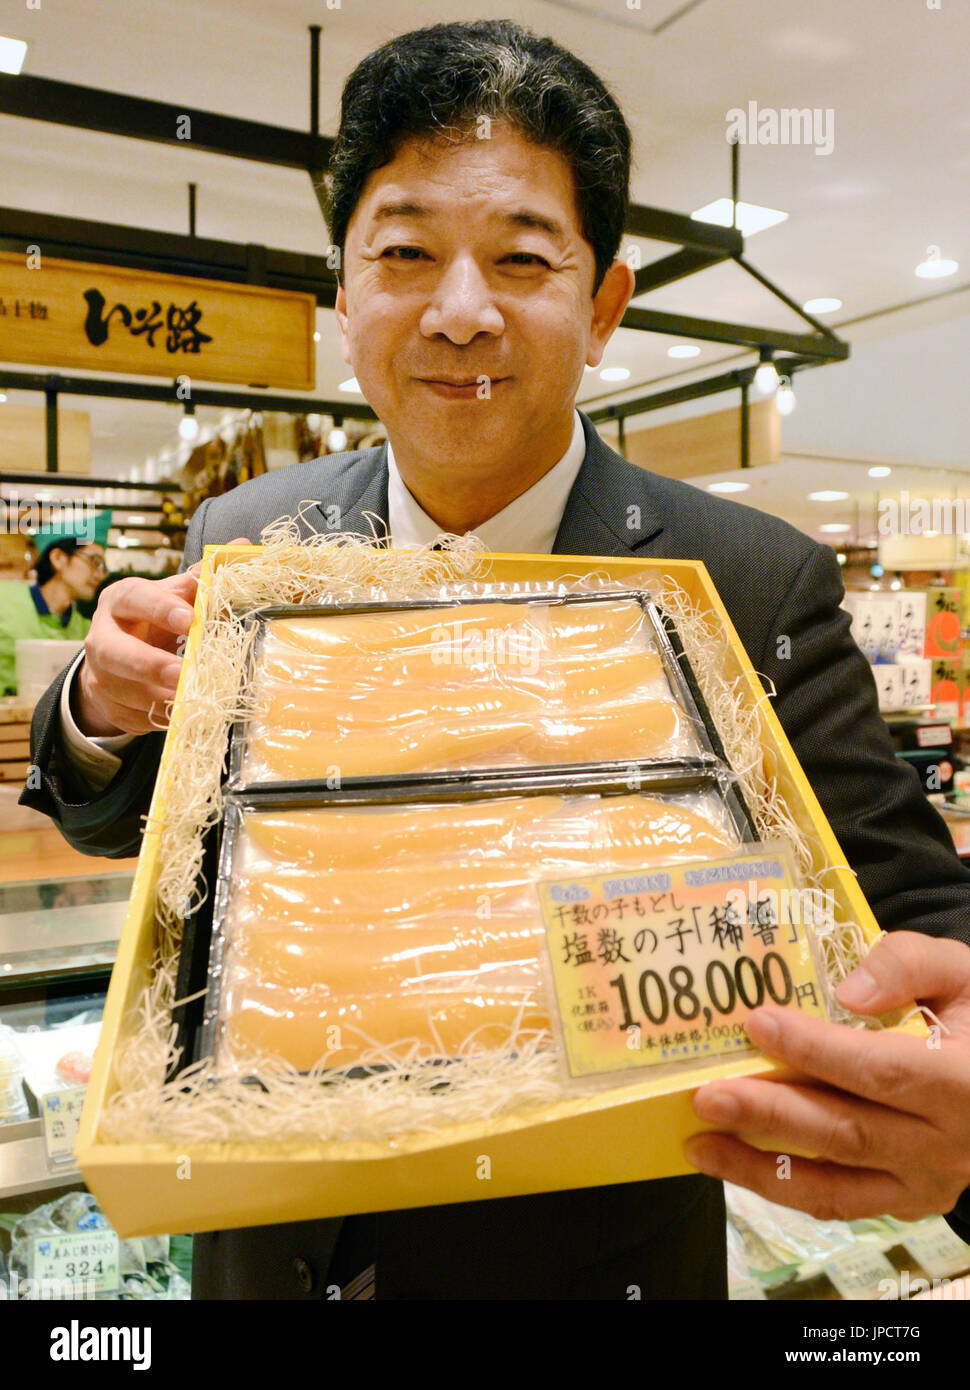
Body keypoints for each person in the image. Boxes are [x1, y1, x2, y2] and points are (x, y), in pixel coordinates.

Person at [21, 20, 970, 1299]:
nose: (459, 313)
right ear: (344, 292)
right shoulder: (248, 541)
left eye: (521, 258)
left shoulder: (750, 579)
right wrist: (96, 705)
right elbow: (133, 834)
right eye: (405, 253)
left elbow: (914, 917)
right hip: (268, 1258)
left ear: (603, 305)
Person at [0, 516, 109, 696]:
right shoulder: (4, 600)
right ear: (58, 558)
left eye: (104, 567)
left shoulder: (87, 630)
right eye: (94, 561)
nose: (100, 575)